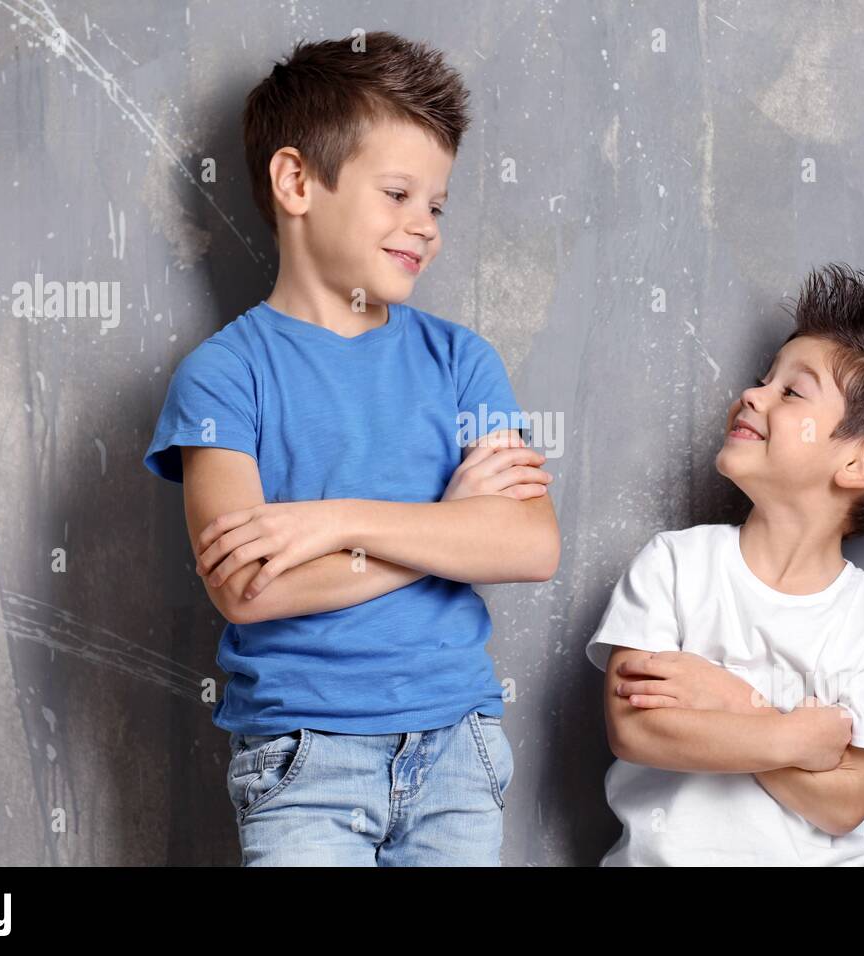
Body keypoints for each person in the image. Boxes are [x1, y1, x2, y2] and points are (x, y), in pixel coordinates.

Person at [143, 31, 560, 865]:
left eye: (436, 205)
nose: (425, 227)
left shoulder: (462, 361)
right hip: (306, 760)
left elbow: (529, 543)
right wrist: (446, 530)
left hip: (458, 747)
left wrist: (333, 523)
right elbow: (251, 591)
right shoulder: (224, 376)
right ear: (297, 181)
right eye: (399, 193)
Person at [586, 262, 864, 865]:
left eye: (791, 391)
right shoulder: (675, 566)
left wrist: (736, 704)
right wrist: (797, 737)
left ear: (862, 464)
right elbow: (637, 731)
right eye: (763, 379)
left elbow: (843, 803)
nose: (751, 394)